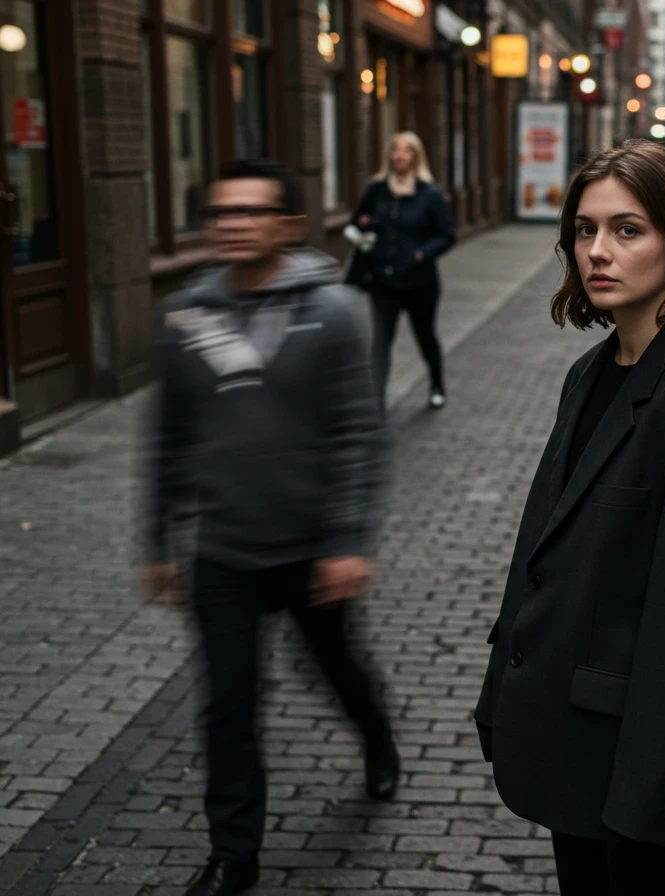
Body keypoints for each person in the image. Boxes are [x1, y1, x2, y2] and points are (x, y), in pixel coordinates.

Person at [472, 140, 665, 896]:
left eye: (627, 230)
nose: (597, 251)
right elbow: (543, 544)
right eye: (584, 229)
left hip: (636, 783)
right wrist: (500, 692)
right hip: (573, 746)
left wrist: (647, 805)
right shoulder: (593, 372)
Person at [141, 160, 397, 896]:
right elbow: (170, 437)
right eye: (222, 213)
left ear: (288, 225)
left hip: (312, 551)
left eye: (252, 212)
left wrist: (347, 541)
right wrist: (159, 542)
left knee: (332, 669)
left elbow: (358, 433)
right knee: (228, 702)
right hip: (221, 551)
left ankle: (375, 735)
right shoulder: (186, 316)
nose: (234, 224)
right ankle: (234, 855)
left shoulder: (339, 311)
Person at [348, 131, 455, 410]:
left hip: (420, 283)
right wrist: (364, 227)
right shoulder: (377, 189)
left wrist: (422, 253)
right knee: (380, 341)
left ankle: (436, 384)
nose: (399, 155)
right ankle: (376, 400)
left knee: (425, 336)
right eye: (395, 150)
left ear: (415, 157)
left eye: (406, 151)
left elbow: (447, 235)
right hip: (382, 281)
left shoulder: (429, 194)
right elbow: (356, 223)